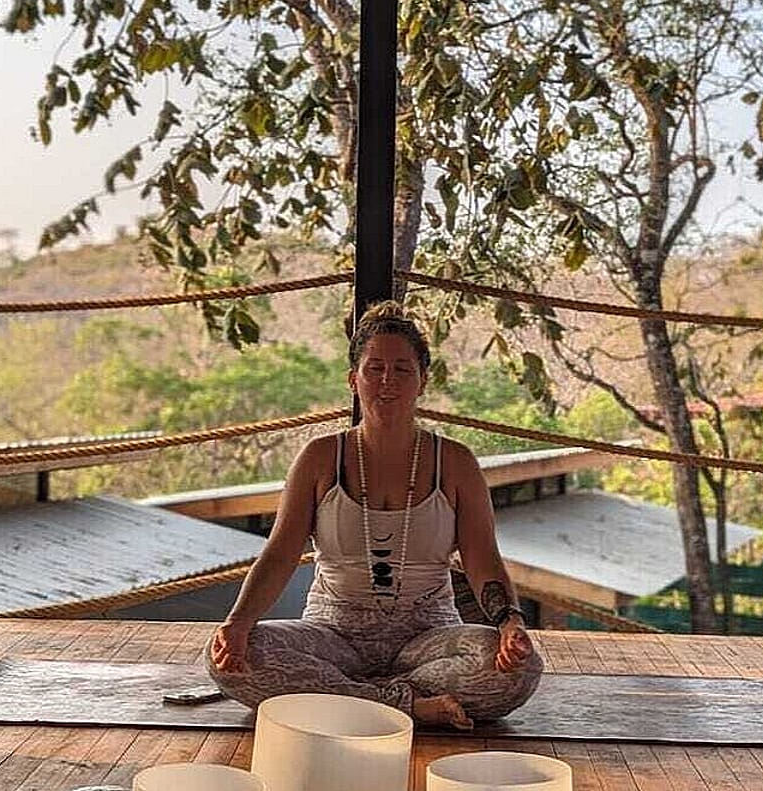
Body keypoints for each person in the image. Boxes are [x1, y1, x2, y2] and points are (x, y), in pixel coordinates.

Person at [206, 301, 542, 729]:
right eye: (374, 368)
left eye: (403, 370)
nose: (388, 381)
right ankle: (409, 705)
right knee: (232, 657)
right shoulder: (320, 457)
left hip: (428, 640)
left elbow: (482, 560)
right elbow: (279, 554)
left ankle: (348, 698)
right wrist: (237, 624)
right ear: (353, 379)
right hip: (334, 635)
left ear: (422, 381)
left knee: (519, 670)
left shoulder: (455, 462)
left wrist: (510, 623)